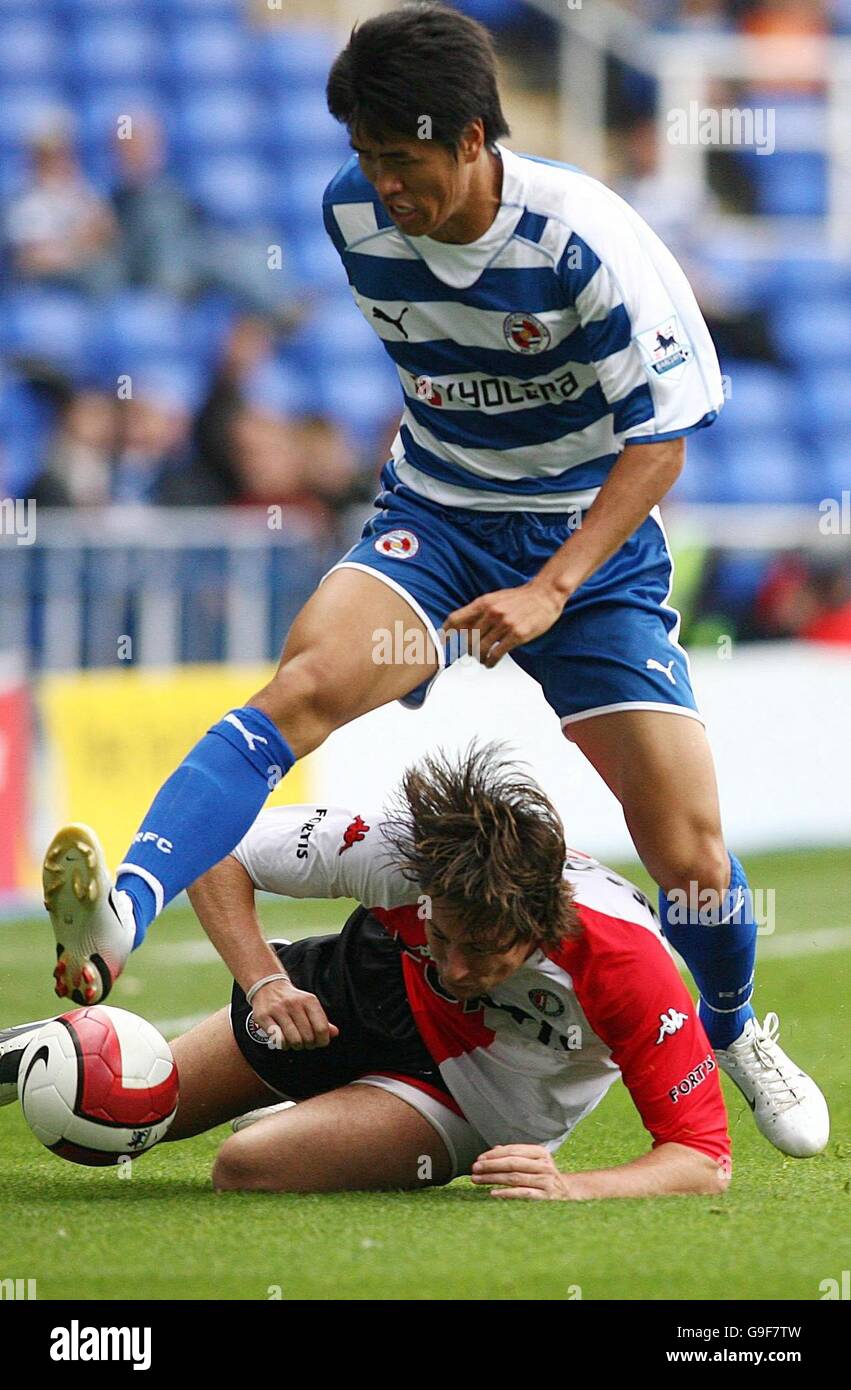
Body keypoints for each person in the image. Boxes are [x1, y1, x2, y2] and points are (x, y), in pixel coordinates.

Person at [40, 2, 827, 1158]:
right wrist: (418, 617)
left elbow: (658, 446)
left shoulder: (588, 241)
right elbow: (441, 385)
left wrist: (551, 590)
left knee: (692, 855)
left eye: (401, 162)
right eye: (364, 160)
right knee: (300, 688)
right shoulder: (350, 214)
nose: (381, 187)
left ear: (471, 138)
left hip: (584, 556)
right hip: (436, 521)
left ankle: (725, 1027)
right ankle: (125, 910)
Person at [7, 749, 739, 1197]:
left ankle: (313, 1117)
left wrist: (572, 1188)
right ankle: (26, 1050)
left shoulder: (627, 964)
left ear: (540, 928)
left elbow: (701, 1160)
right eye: (443, 936)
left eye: (484, 954)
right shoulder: (398, 850)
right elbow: (220, 849)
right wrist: (265, 981)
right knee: (128, 1108)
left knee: (249, 1165)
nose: (453, 968)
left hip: (473, 1099)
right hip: (359, 986)